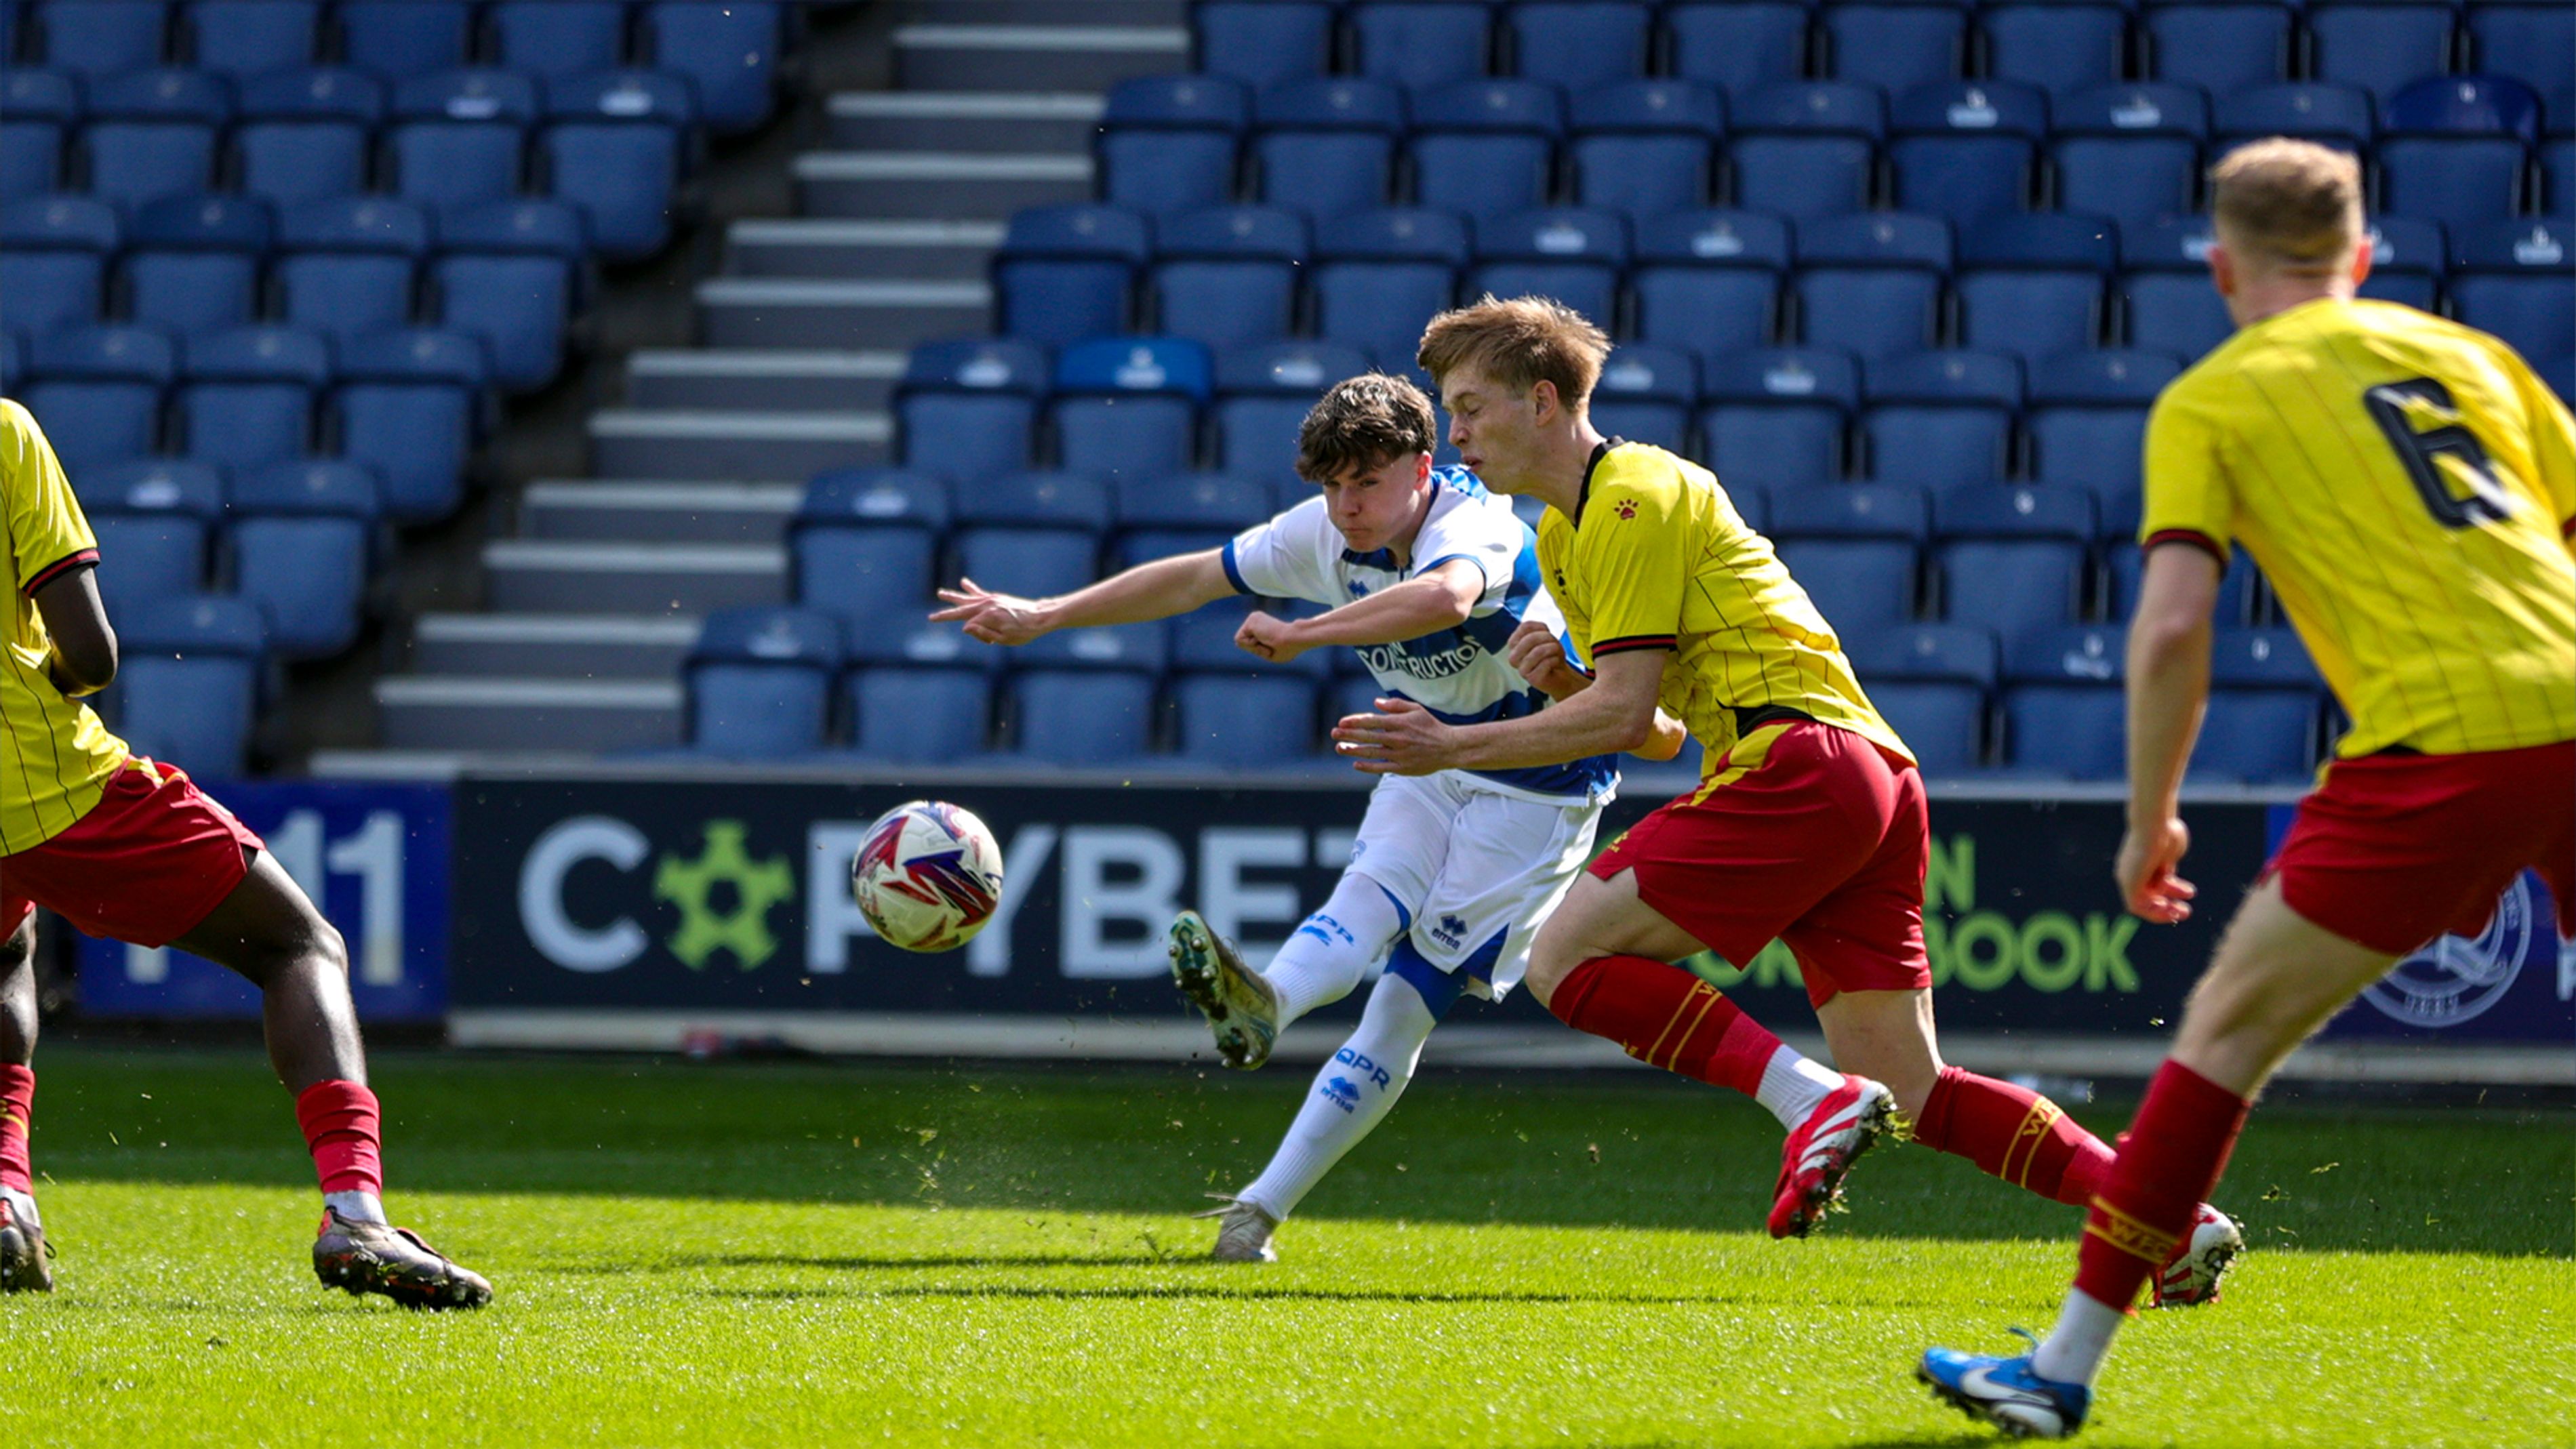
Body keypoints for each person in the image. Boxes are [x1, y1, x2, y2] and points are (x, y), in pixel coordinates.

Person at [1334, 296, 2242, 1267]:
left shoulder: (1634, 492)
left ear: (1546, 401)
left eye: (1470, 406)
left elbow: (1624, 714)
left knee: (1560, 958)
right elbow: (1652, 730)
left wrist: (1453, 744)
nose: (1456, 431)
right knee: (1921, 1092)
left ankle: (1811, 1099)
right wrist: (1568, 682)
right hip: (1866, 774)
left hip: (1801, 763)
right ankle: (2166, 1222)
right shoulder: (1564, 537)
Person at [1916, 139, 2576, 1438]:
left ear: (2219, 267)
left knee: (2221, 1041)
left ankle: (2059, 1371)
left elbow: (2169, 630)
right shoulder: (2471, 356)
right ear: (2364, 260)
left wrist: (2148, 812)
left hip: (2442, 740)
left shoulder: (2213, 398)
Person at [933, 373, 1872, 1262]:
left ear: (1424, 470)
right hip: (1427, 752)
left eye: (1369, 483)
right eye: (1335, 486)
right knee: (1366, 898)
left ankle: (1259, 1201)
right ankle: (1266, 1008)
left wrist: (1302, 632)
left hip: (1537, 780)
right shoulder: (1326, 532)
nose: (1349, 506)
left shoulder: (1480, 524)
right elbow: (1197, 577)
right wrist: (1044, 614)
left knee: (1402, 1001)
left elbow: (1446, 597)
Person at [0, 399, 489, 1308]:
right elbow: (92, 651)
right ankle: (354, 1212)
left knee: (7, 951)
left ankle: (6, 1197)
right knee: (297, 944)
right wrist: (47, 684)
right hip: (44, 779)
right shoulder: (5, 432)